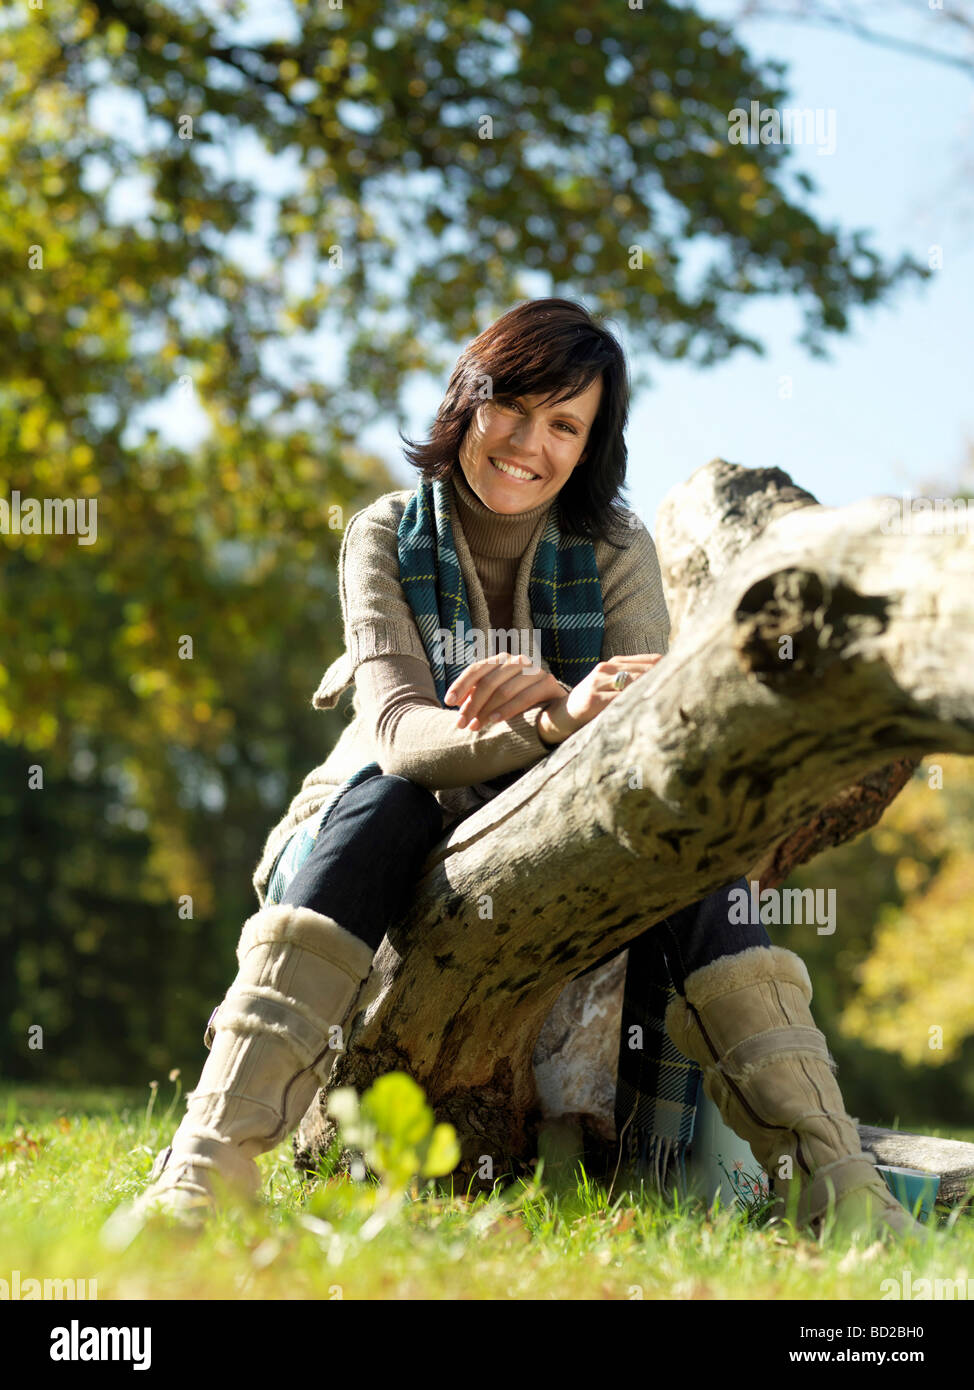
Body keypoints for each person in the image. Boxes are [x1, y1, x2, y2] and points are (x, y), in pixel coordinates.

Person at [134, 297, 918, 1239]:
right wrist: (554, 718)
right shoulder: (383, 534)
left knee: (691, 858)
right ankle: (204, 1170)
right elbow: (399, 736)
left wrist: (565, 716)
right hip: (380, 818)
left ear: (588, 447)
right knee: (387, 801)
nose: (528, 443)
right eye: (512, 406)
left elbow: (644, 738)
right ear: (469, 400)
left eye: (564, 425)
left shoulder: (619, 550)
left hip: (559, 819)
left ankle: (843, 1190)